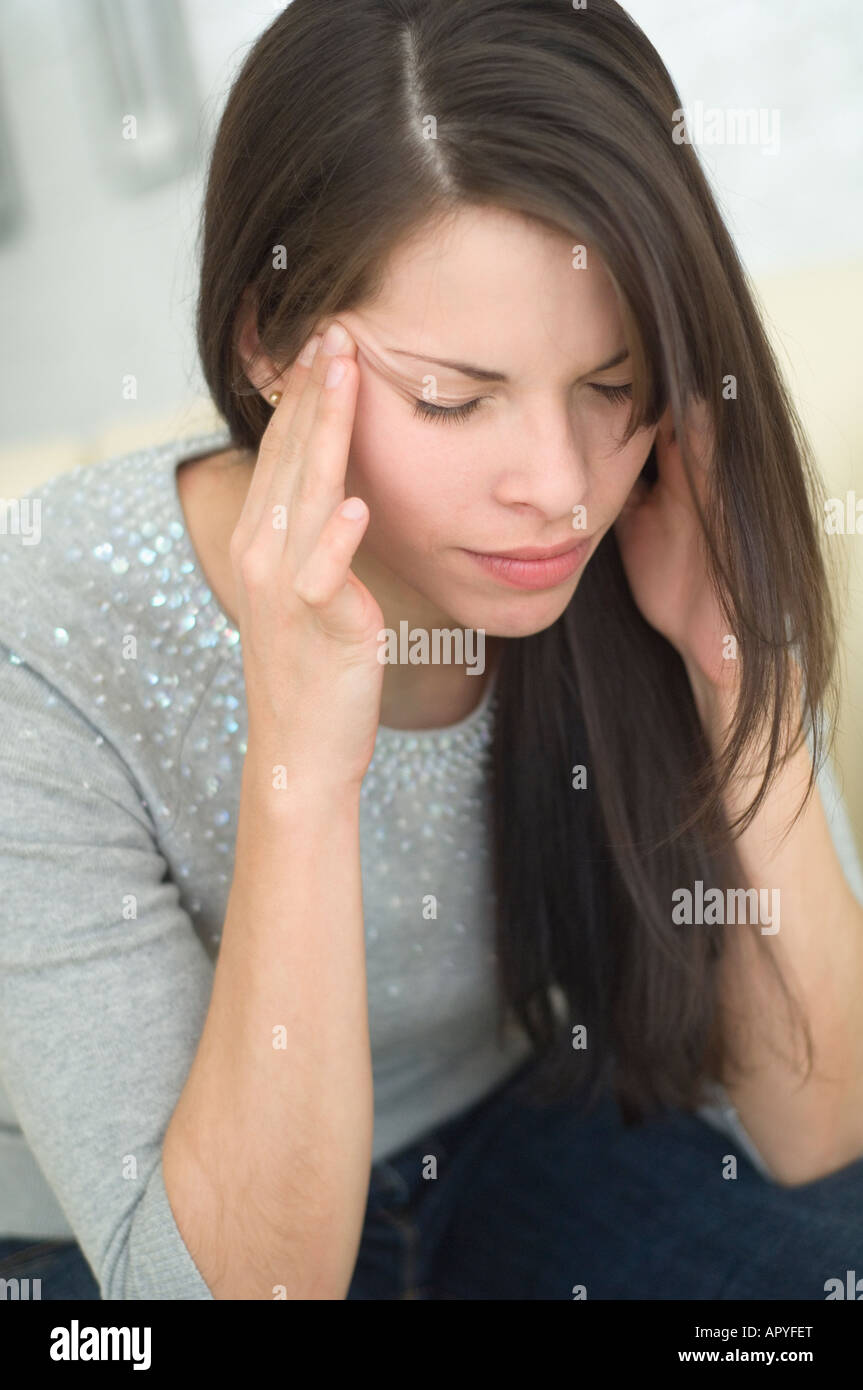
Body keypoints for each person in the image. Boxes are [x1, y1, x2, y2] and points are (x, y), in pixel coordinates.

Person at [1, 0, 862, 1301]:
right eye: (456, 399)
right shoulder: (45, 634)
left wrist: (736, 665)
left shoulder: (657, 512)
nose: (561, 485)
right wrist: (300, 748)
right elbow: (215, 1294)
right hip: (113, 1241)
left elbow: (820, 1129)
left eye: (611, 383)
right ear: (268, 343)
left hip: (520, 1132)